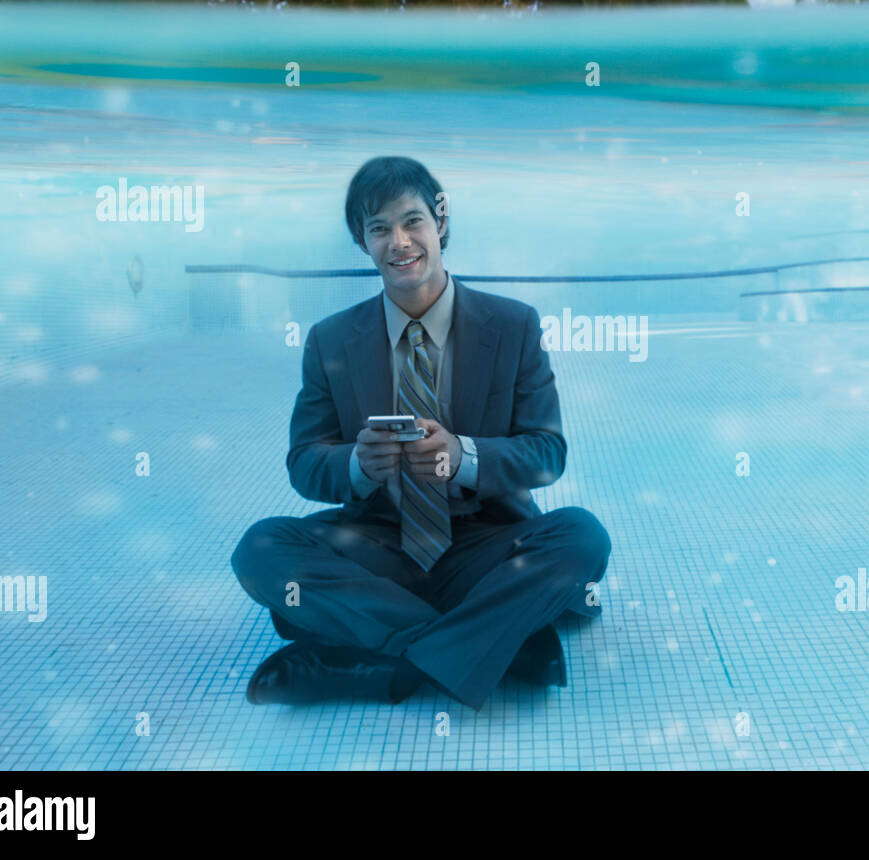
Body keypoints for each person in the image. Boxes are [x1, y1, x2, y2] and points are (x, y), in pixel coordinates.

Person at [230, 156, 611, 711]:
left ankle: (371, 664)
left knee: (582, 537)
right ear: (362, 243)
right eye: (379, 229)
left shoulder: (513, 326)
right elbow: (304, 463)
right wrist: (358, 466)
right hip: (380, 544)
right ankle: (499, 647)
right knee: (260, 549)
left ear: (441, 221)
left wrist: (462, 456)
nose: (399, 242)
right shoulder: (331, 341)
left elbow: (547, 455)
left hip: (485, 544)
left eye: (412, 222)